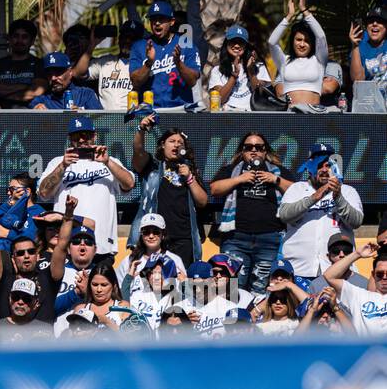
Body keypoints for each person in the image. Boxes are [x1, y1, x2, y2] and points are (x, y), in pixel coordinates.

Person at [38, 116, 134, 268]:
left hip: (101, 244)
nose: (82, 140)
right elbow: (43, 193)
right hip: (67, 244)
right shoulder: (58, 162)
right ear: (70, 139)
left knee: (100, 290)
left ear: (94, 135)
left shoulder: (108, 161)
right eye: (77, 136)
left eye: (86, 135)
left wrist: (107, 162)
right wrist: (63, 165)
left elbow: (129, 183)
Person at [209, 133, 295, 294]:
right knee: (232, 289)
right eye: (249, 147)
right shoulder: (231, 170)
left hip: (269, 240)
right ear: (242, 151)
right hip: (236, 239)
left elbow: (297, 192)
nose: (254, 151)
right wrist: (239, 179)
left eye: (259, 147)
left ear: (265, 151)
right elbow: (214, 189)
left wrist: (276, 180)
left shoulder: (278, 171)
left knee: (262, 289)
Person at [129, 116, 208, 266]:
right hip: (156, 236)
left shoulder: (190, 170)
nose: (176, 145)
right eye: (172, 141)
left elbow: (202, 201)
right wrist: (141, 130)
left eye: (180, 143)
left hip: (184, 238)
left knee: (179, 285)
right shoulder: (151, 166)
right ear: (162, 145)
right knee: (154, 283)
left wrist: (190, 178)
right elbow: (138, 151)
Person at [277, 143, 363, 279]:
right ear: (310, 167)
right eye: (319, 165)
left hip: (338, 269)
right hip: (299, 269)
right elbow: (285, 216)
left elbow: (356, 222)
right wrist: (314, 197)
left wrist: (338, 197)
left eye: (328, 165)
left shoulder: (347, 191)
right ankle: (231, 297)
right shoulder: (296, 189)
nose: (324, 170)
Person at [128, 1, 200, 109]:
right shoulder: (140, 46)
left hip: (180, 109)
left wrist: (178, 63)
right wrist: (149, 63)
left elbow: (193, 81)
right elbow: (136, 82)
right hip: (149, 111)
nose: (157, 23)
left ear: (172, 22)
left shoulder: (186, 44)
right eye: (153, 19)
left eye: (161, 19)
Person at [268, 0, 328, 109]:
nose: (302, 44)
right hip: (290, 114)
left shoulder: (319, 59)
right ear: (292, 41)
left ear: (312, 44)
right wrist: (289, 16)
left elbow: (321, 36)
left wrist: (304, 10)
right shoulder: (284, 60)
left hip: (314, 115)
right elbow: (272, 42)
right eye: (299, 39)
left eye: (307, 41)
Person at [207, 25, 271, 111]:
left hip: (252, 115)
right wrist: (234, 76)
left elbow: (260, 95)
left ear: (246, 45)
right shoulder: (217, 70)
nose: (237, 46)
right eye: (233, 41)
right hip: (227, 117)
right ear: (226, 44)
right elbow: (219, 101)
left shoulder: (259, 67)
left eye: (240, 42)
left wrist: (250, 71)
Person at [0, 18, 45, 108]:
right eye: (16, 36)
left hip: (32, 118)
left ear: (32, 41)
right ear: (9, 39)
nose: (19, 40)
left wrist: (5, 93)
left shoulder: (40, 64)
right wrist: (24, 86)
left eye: (24, 37)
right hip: (1, 118)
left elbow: (36, 91)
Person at [31, 53, 100, 110]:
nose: (53, 78)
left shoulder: (85, 94)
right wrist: (36, 113)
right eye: (49, 74)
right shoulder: (41, 100)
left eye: (58, 72)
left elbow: (102, 122)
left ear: (70, 72)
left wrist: (83, 116)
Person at [350, 0, 387, 85]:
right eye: (371, 21)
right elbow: (358, 81)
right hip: (369, 97)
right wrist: (355, 46)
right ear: (366, 27)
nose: (374, 23)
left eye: (380, 21)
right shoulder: (360, 46)